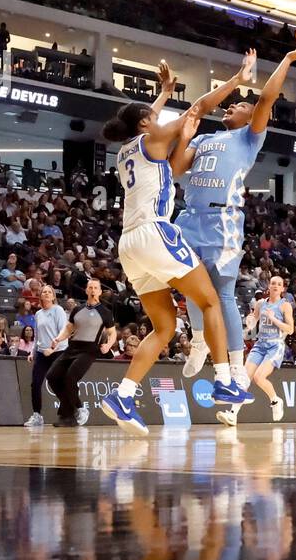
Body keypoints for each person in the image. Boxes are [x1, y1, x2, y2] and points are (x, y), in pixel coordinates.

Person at [97, 61, 252, 434]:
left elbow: (144, 119)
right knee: (211, 300)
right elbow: (198, 108)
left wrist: (165, 91)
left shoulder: (126, 150)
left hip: (129, 244)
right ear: (146, 124)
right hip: (155, 233)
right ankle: (225, 381)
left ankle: (123, 394)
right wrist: (234, 81)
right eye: (155, 114)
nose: (159, 115)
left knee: (164, 328)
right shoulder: (154, 138)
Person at [176, 47, 296, 389]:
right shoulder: (206, 137)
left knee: (222, 295)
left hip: (222, 223)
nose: (230, 106)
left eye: (238, 105)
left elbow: (266, 98)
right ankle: (198, 341)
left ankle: (237, 367)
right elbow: (176, 168)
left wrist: (289, 59)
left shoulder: (250, 137)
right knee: (189, 289)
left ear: (251, 116)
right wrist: (185, 139)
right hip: (188, 218)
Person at [46, 278, 117, 427]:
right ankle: (69, 413)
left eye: (95, 288)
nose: (92, 290)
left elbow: (112, 333)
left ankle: (78, 408)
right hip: (72, 347)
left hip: (89, 350)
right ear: (86, 290)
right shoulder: (78, 310)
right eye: (90, 287)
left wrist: (108, 345)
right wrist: (58, 339)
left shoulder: (105, 312)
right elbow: (68, 329)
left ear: (99, 291)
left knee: (70, 377)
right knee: (52, 376)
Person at [225, 276, 294, 427]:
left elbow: (290, 329)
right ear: (268, 286)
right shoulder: (261, 303)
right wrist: (250, 322)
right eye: (273, 283)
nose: (275, 286)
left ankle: (275, 401)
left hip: (275, 345)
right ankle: (232, 414)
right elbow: (253, 319)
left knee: (259, 377)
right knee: (244, 379)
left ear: (283, 289)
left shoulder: (285, 306)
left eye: (279, 284)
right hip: (260, 344)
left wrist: (273, 319)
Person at [20, 284, 69, 428]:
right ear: (40, 296)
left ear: (53, 296)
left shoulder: (58, 310)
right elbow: (37, 336)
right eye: (44, 292)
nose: (46, 294)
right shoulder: (38, 314)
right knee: (35, 383)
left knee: (59, 383)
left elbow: (63, 334)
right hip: (42, 353)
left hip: (58, 351)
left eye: (49, 292)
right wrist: (33, 352)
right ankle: (37, 415)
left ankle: (73, 409)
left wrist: (53, 349)